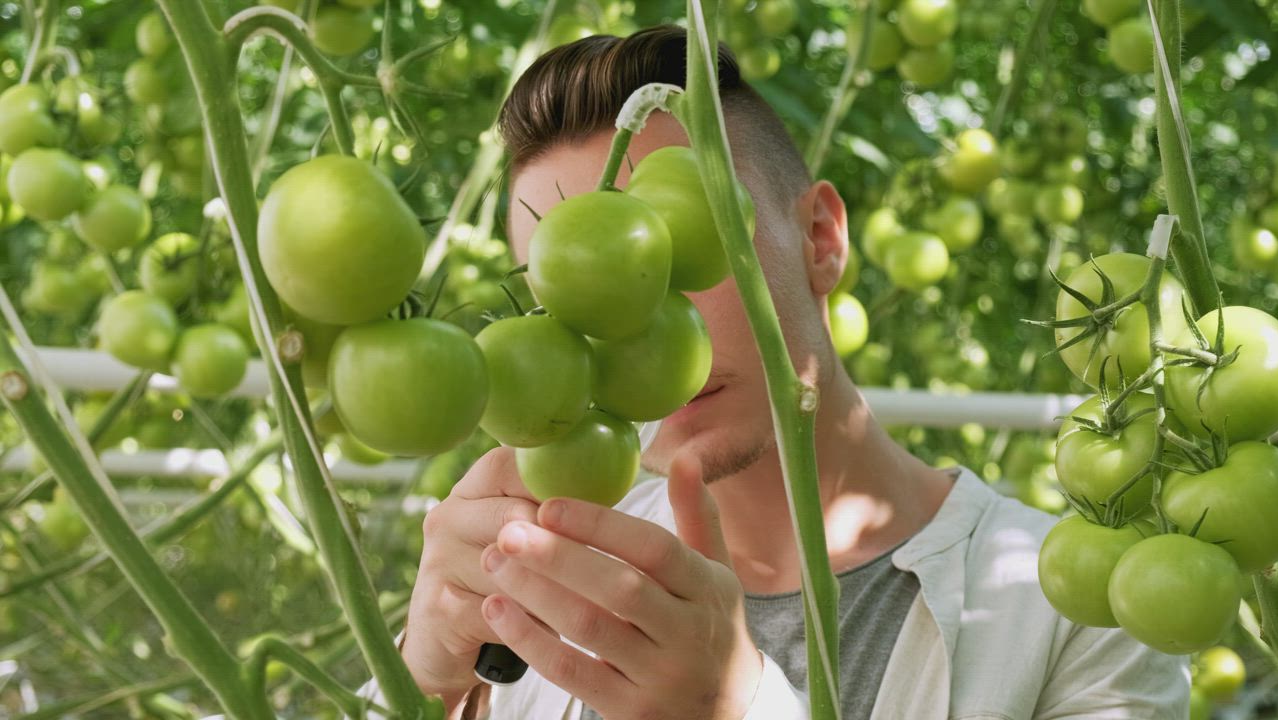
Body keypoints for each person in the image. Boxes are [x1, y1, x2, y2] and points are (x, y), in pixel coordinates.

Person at [360, 25, 1188, 720]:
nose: (626, 328)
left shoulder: (1080, 611)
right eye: (568, 291)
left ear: (821, 239)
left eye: (671, 249)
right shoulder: (543, 576)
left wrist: (740, 705)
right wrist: (422, 678)